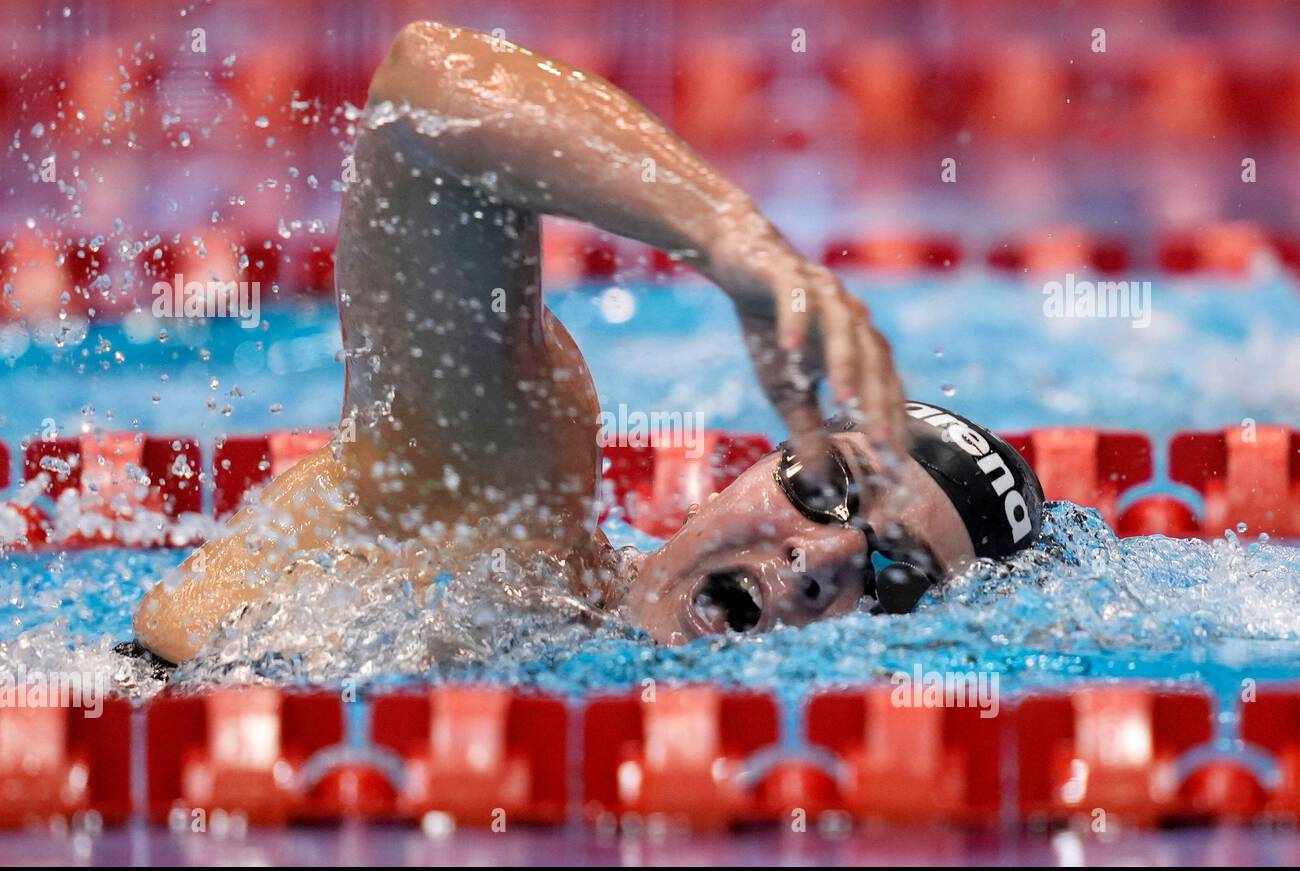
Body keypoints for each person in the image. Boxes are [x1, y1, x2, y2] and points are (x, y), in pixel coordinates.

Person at [132, 21, 1043, 664]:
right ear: (744, 473)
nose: (824, 560)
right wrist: (733, 238)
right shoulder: (505, 513)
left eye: (898, 584)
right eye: (827, 487)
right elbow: (427, 94)